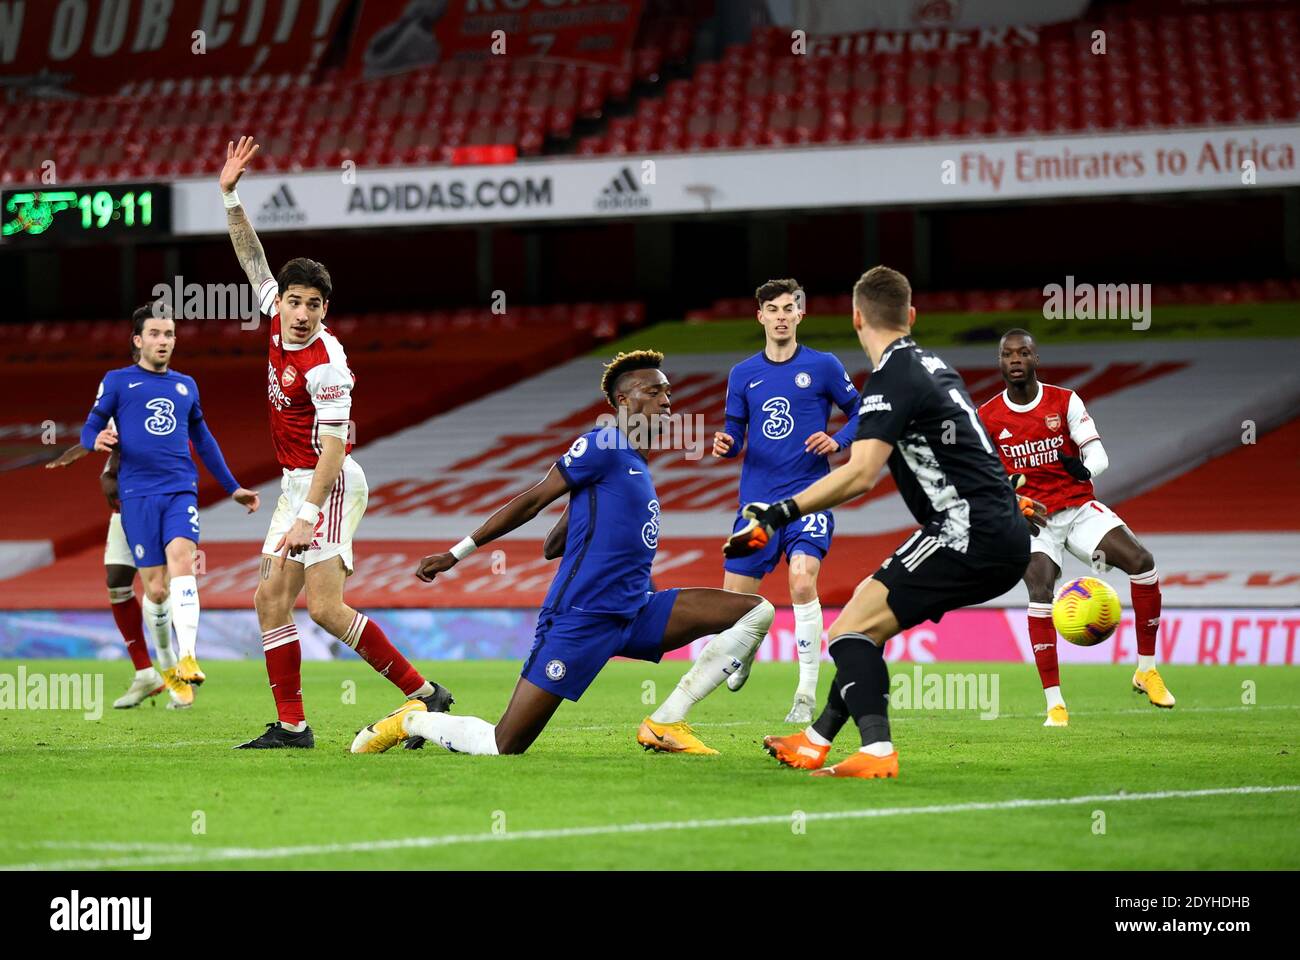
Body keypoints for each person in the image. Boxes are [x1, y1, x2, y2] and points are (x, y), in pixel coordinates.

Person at [350, 349, 775, 757]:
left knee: (756, 610)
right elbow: (533, 500)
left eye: (668, 392)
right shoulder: (601, 445)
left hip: (635, 611)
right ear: (623, 401)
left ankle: (666, 722)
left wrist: (585, 514)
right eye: (654, 391)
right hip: (582, 617)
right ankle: (413, 719)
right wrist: (456, 553)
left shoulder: (634, 460)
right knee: (504, 745)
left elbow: (553, 545)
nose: (667, 400)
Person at [729, 267, 1042, 779]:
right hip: (994, 527)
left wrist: (779, 512)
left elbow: (859, 475)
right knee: (862, 628)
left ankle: (876, 751)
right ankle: (814, 740)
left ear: (856, 319)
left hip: (966, 532)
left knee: (847, 631)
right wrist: (1010, 502)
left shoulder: (893, 377)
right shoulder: (934, 365)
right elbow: (970, 446)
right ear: (911, 316)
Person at [220, 135, 452, 748]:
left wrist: (307, 516)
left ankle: (425, 694)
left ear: (326, 310)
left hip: (330, 484)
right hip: (297, 482)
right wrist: (230, 196)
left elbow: (331, 453)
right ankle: (293, 726)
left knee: (323, 609)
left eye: (313, 306)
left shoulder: (329, 367)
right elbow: (253, 262)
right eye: (295, 302)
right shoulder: (275, 312)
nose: (300, 314)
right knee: (270, 599)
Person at [978, 329, 1175, 726]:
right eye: (1007, 355)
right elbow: (980, 478)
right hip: (1033, 521)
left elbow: (1098, 454)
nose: (1015, 359)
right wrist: (1010, 503)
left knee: (1143, 562)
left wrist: (1083, 468)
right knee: (1039, 589)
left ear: (1036, 359)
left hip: (1078, 509)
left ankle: (1146, 669)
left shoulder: (1064, 401)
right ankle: (1055, 703)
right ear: (1000, 363)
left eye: (1023, 353)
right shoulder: (986, 417)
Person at [79, 302, 260, 709]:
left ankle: (188, 656)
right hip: (136, 496)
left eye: (170, 334)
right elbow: (91, 424)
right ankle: (164, 669)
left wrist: (232, 487)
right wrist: (96, 441)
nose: (164, 341)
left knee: (183, 557)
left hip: (180, 488)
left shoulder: (186, 385)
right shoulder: (117, 382)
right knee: (155, 590)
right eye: (156, 334)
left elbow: (205, 439)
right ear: (138, 340)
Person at [713, 278, 860, 723]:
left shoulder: (824, 366)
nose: (780, 315)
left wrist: (838, 441)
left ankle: (804, 693)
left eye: (787, 308)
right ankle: (750, 645)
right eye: (772, 309)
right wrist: (726, 443)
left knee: (801, 580)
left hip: (808, 500)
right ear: (760, 316)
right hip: (755, 507)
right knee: (731, 610)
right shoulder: (742, 374)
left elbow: (862, 410)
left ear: (800, 314)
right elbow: (735, 431)